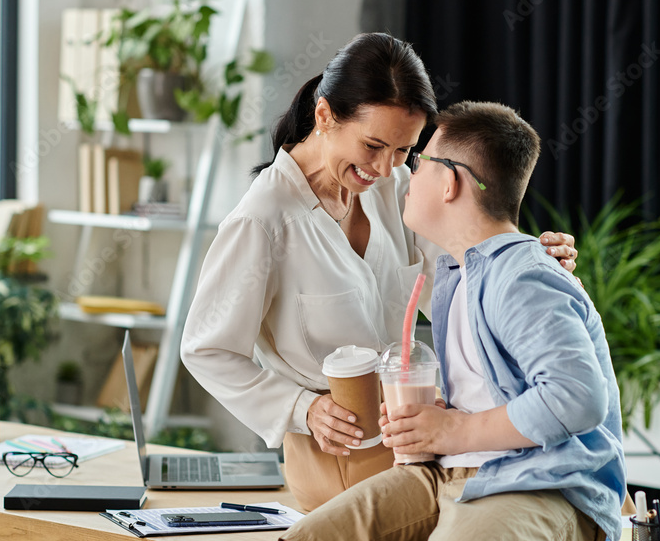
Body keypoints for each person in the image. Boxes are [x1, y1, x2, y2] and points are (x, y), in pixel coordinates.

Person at [180, 33, 579, 512]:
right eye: (373, 145)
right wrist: (301, 408)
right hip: (340, 454)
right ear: (324, 116)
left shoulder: (394, 189)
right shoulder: (263, 221)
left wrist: (524, 261)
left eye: (403, 151)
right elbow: (207, 348)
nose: (386, 168)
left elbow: (462, 279)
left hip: (417, 438)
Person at [274, 101, 627, 541]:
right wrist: (440, 421)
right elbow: (492, 392)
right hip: (449, 473)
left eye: (419, 163)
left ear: (450, 184)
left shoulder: (523, 276)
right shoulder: (458, 275)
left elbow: (578, 397)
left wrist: (453, 430)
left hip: (543, 485)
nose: (404, 173)